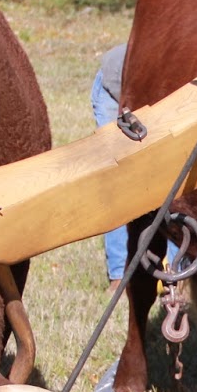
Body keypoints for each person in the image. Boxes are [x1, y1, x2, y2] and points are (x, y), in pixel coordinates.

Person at [91, 42, 130, 291]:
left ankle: (174, 272)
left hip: (157, 97)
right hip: (113, 90)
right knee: (117, 181)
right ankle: (119, 274)